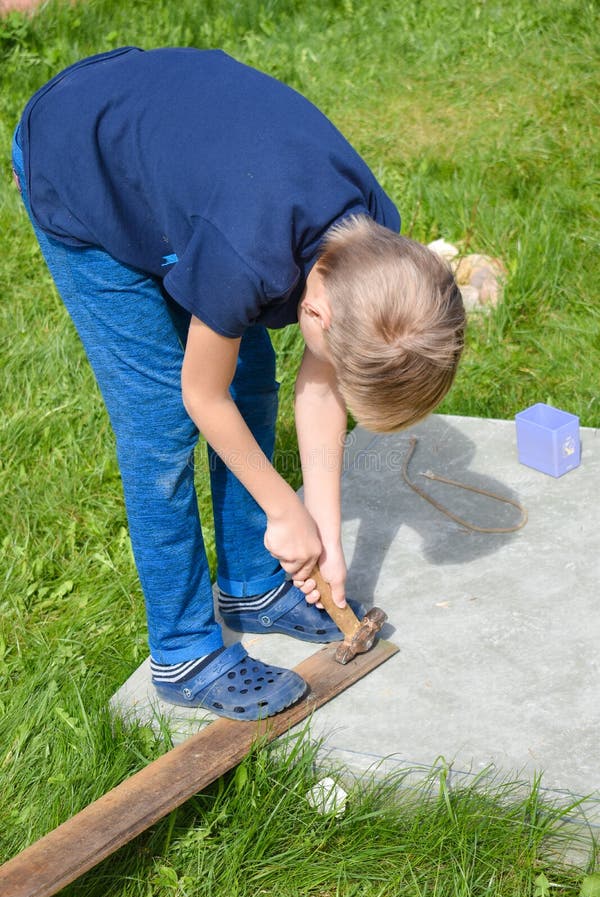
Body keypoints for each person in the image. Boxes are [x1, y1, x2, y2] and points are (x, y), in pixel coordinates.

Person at [12, 47, 465, 720]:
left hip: (183, 168)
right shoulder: (245, 254)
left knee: (251, 371)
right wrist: (286, 510)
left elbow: (318, 387)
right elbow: (202, 395)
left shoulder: (375, 243)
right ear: (314, 311)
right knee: (160, 421)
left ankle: (252, 585)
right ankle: (184, 650)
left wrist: (326, 536)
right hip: (81, 171)